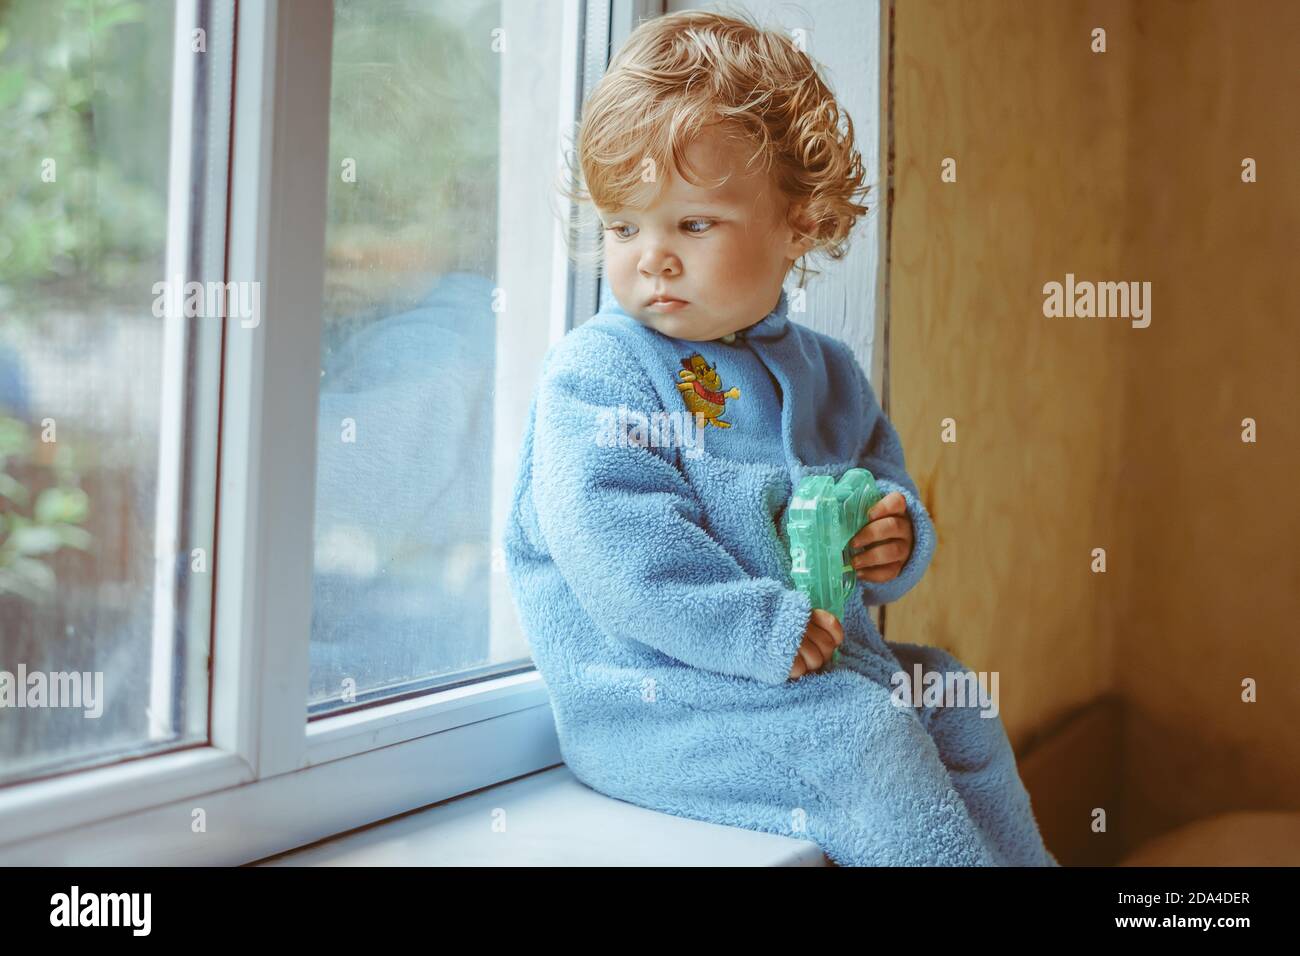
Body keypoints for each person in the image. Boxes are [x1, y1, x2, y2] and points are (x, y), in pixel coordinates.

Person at [503, 9, 1056, 866]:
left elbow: (883, 486)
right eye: (624, 225)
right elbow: (618, 552)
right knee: (865, 737)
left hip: (811, 681)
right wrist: (756, 628)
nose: (651, 257)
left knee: (952, 695)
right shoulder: (598, 373)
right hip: (665, 706)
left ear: (798, 222)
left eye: (692, 224)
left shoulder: (828, 374)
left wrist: (896, 533)